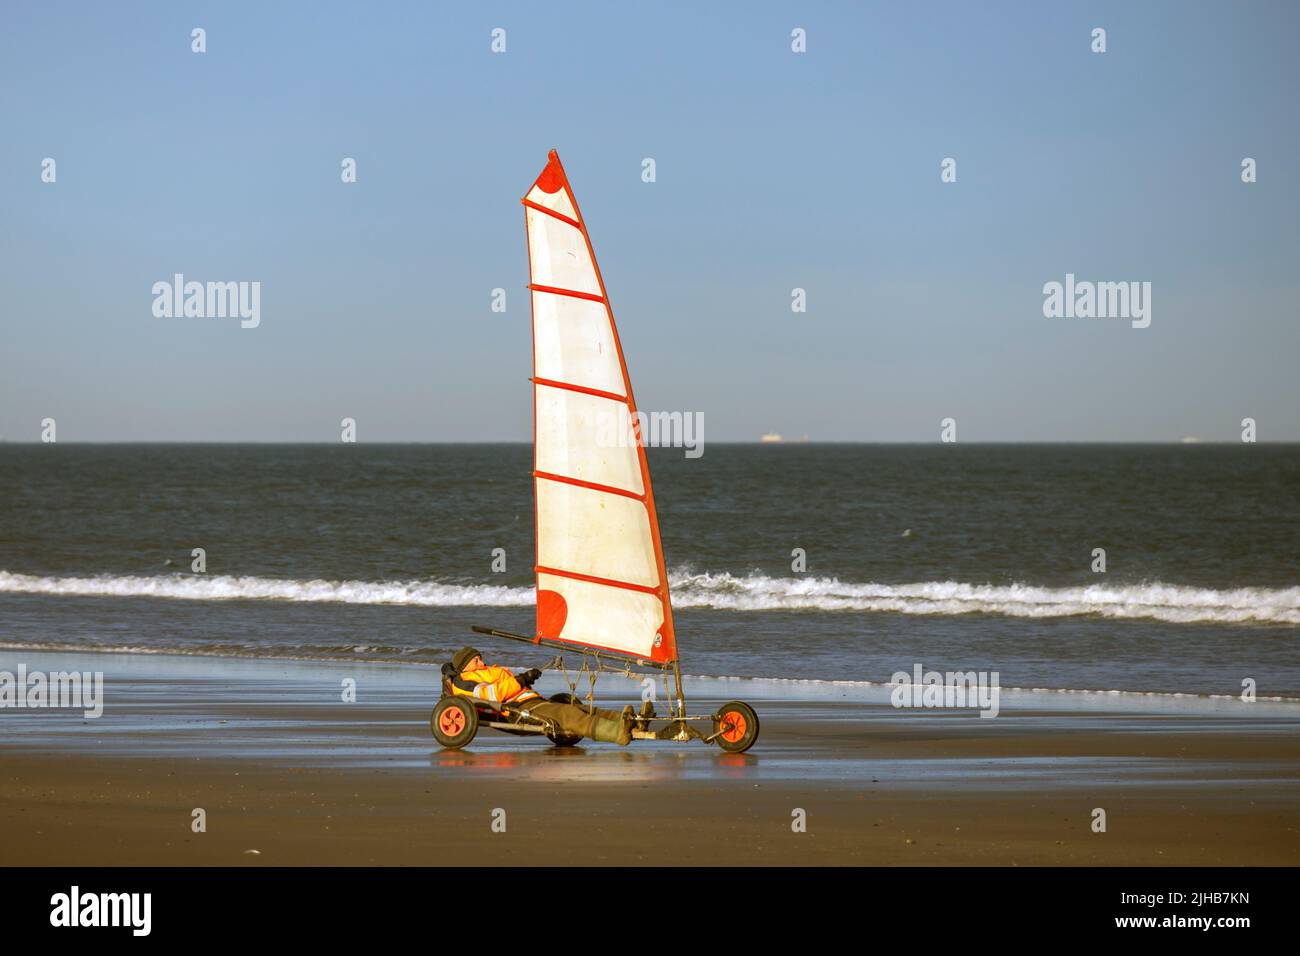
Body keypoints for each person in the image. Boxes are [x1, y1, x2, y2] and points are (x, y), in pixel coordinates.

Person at [441, 646, 652, 746]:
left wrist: (525, 681)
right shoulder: (464, 682)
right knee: (567, 714)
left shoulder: (482, 672)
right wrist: (521, 680)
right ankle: (618, 733)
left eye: (481, 658)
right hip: (515, 710)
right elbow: (491, 694)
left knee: (584, 709)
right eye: (476, 660)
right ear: (464, 666)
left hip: (530, 701)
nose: (482, 662)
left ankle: (633, 723)